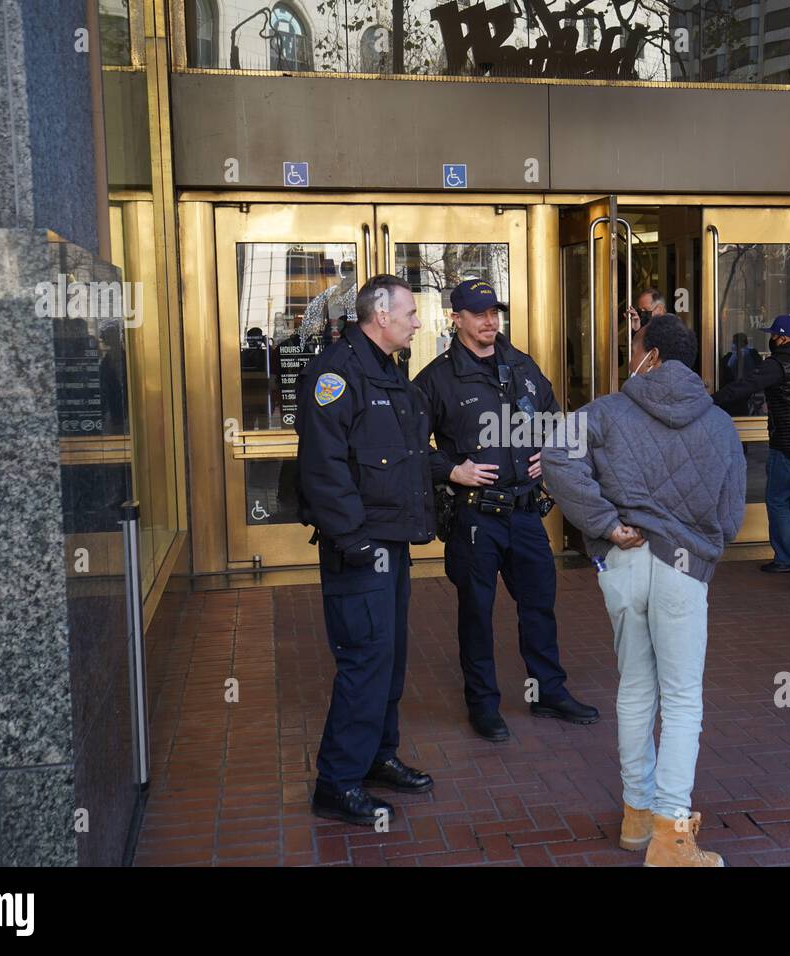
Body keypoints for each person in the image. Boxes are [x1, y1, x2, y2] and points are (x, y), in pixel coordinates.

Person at [541, 315, 745, 867]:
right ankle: (671, 835)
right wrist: (709, 542)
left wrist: (605, 525)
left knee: (635, 688)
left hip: (626, 559)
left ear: (649, 355)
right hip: (685, 568)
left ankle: (637, 816)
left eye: (634, 345)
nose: (630, 353)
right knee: (682, 699)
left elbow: (556, 458)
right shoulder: (721, 423)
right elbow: (730, 512)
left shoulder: (605, 411)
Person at [414, 279, 598, 742]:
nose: (490, 321)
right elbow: (407, 447)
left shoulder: (522, 367)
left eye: (494, 311)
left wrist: (551, 453)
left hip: (524, 513)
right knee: (476, 612)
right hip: (475, 517)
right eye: (478, 313)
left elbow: (559, 421)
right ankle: (483, 705)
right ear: (455, 319)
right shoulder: (437, 378)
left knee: (539, 606)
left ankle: (548, 692)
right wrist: (453, 470)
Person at [293, 274, 437, 825]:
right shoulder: (336, 373)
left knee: (390, 655)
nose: (417, 322)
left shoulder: (386, 371)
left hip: (390, 542)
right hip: (360, 546)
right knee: (365, 658)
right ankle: (338, 782)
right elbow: (323, 468)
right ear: (381, 316)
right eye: (410, 313)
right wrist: (352, 539)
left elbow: (406, 457)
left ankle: (378, 756)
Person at [713, 313, 790, 573]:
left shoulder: (778, 364)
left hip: (786, 440)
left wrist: (710, 399)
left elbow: (744, 386)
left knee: (776, 499)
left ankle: (787, 558)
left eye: (774, 335)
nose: (771, 339)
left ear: (783, 337)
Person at [719, 332, 765, 417]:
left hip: (743, 394)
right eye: (734, 342)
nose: (735, 345)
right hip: (739, 394)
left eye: (735, 342)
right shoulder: (731, 357)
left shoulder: (750, 355)